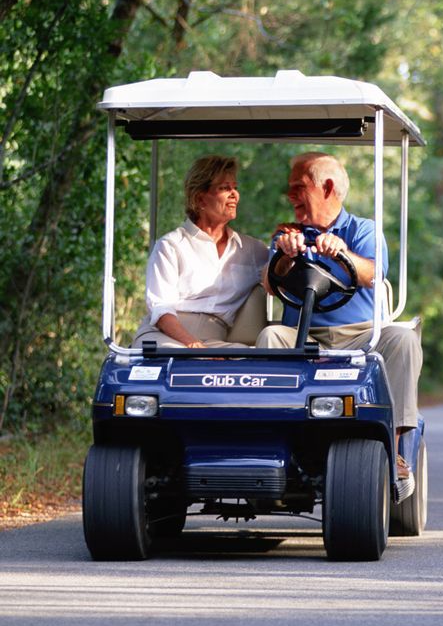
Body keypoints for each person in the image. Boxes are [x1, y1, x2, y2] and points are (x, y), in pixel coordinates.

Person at [256, 152, 422, 479]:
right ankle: (276, 444)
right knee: (270, 336)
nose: (290, 197)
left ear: (328, 188)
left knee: (403, 338)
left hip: (359, 335)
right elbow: (269, 284)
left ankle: (394, 446)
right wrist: (285, 258)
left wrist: (343, 253)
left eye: (298, 187)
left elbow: (374, 273)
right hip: (305, 336)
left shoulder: (363, 229)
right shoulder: (287, 234)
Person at [132, 154, 269, 349]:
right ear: (200, 198)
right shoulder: (170, 245)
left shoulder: (253, 250)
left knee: (248, 361)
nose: (234, 195)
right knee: (177, 360)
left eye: (235, 188)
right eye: (224, 188)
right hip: (166, 337)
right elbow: (161, 310)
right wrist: (192, 345)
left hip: (214, 341)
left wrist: (289, 235)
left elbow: (281, 268)